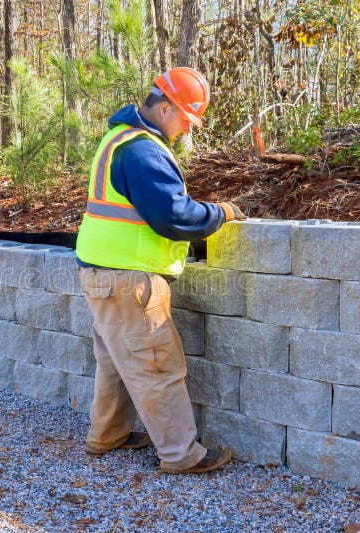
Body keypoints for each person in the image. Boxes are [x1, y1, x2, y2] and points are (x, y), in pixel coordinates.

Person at [75, 67, 246, 474]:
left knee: (117, 362)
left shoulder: (118, 138)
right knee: (156, 366)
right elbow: (172, 216)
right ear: (165, 107)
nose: (187, 129)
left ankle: (108, 435)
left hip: (102, 272)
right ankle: (181, 454)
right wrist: (220, 212)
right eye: (187, 119)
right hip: (130, 279)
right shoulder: (142, 149)